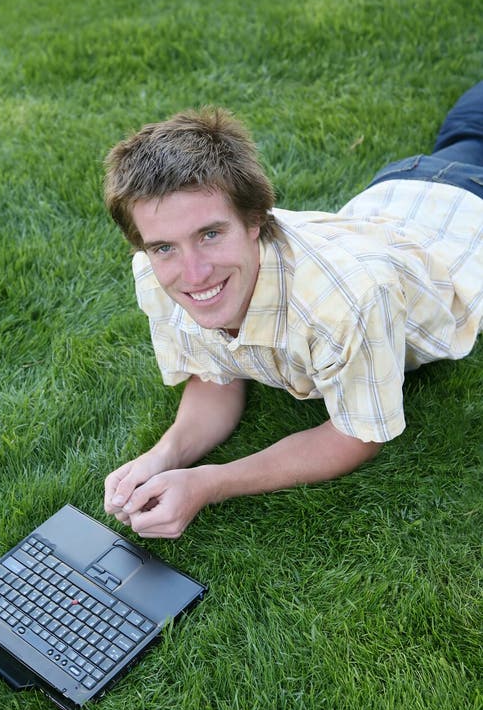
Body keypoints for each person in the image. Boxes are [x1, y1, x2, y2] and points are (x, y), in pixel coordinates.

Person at [102, 82, 483, 539]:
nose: (194, 273)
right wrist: (163, 456)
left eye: (210, 234)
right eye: (164, 246)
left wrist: (210, 483)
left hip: (466, 214)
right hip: (396, 194)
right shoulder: (156, 276)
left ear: (255, 219)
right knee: (466, 133)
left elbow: (358, 435)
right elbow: (216, 376)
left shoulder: (346, 301)